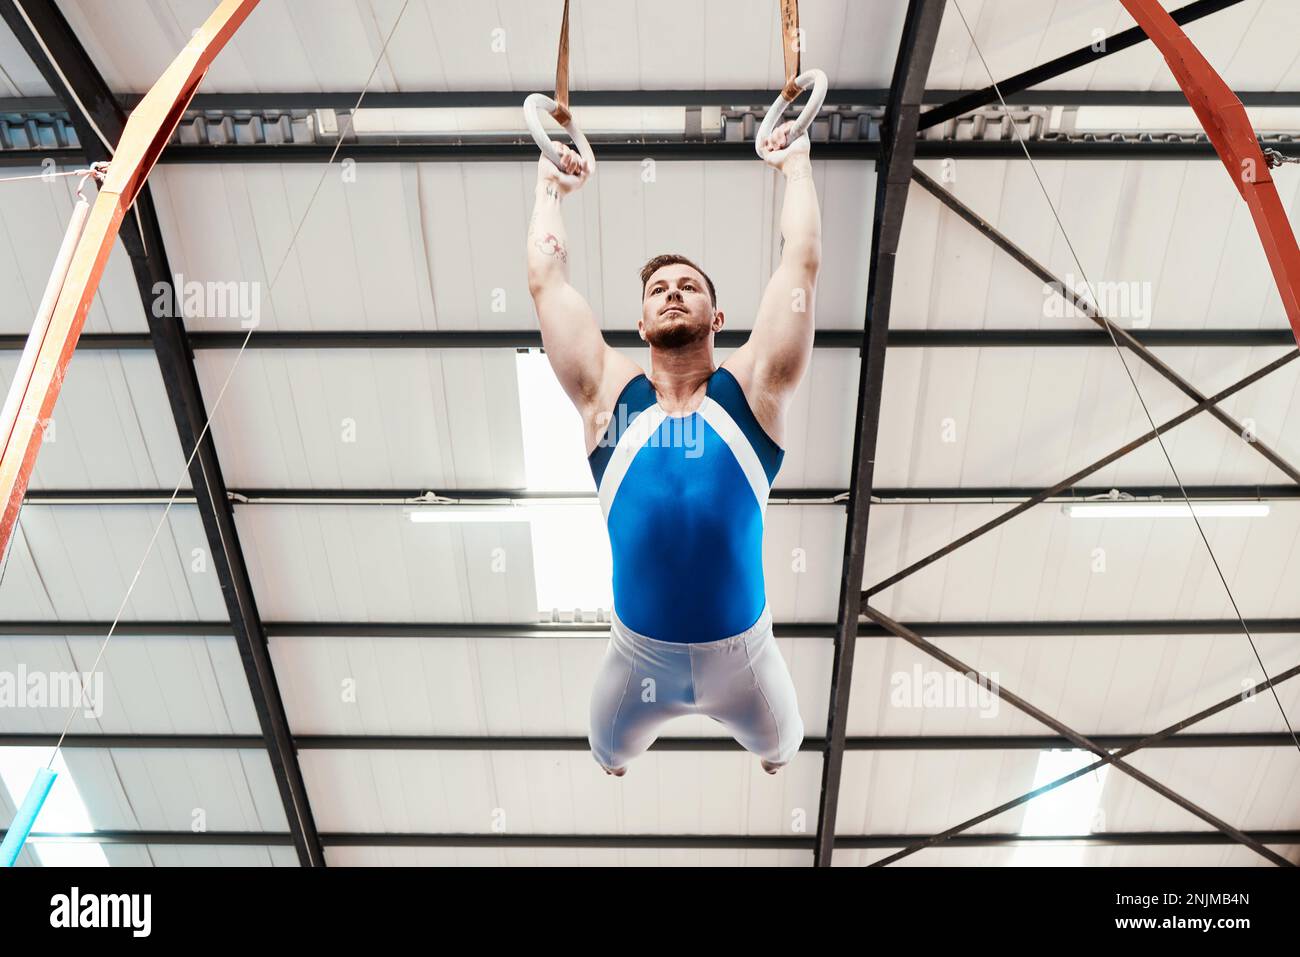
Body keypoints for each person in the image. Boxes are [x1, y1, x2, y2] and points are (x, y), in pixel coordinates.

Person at [525, 120, 821, 775]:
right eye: (659, 289)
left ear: (717, 318)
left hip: (746, 659)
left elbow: (800, 261)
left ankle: (769, 757)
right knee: (608, 754)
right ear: (640, 322)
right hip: (638, 659)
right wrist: (552, 184)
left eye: (689, 286)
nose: (672, 292)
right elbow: (546, 280)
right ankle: (623, 760)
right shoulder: (607, 394)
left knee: (783, 750)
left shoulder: (756, 389)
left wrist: (796, 164)